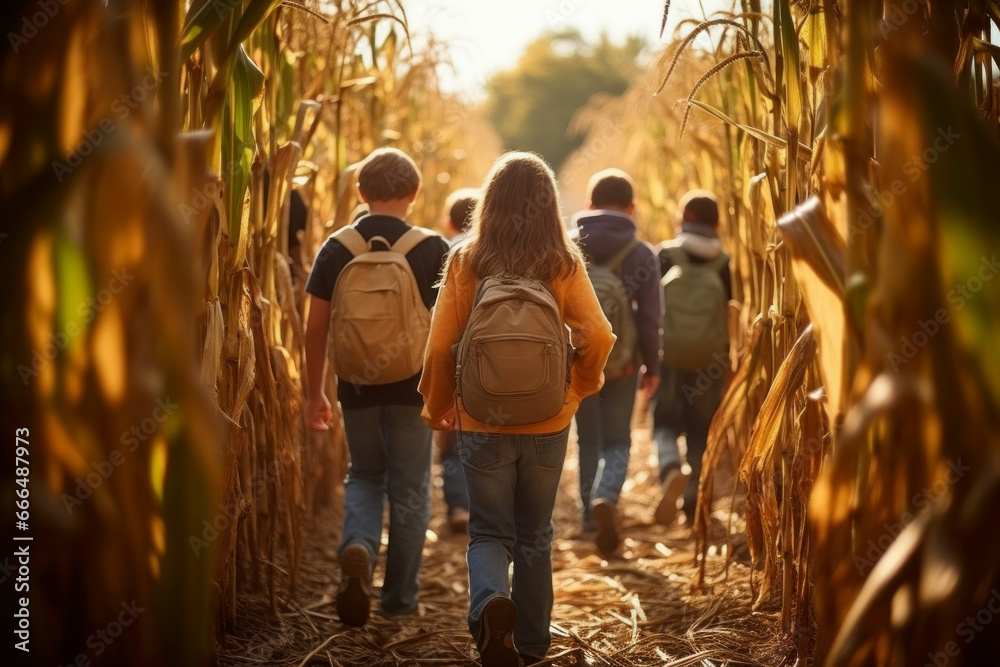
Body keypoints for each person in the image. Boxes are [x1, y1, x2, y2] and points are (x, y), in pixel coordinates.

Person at [420, 152, 614, 666]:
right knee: (535, 532)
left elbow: (441, 347)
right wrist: (577, 389)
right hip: (548, 419)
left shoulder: (467, 258)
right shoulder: (563, 260)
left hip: (482, 416)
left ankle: (489, 605)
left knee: (488, 530)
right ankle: (530, 641)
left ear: (490, 202)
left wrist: (439, 405)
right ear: (548, 203)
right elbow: (598, 335)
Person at [303, 147, 450, 626]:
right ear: (413, 194)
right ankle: (399, 599)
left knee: (365, 474)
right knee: (411, 488)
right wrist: (447, 395)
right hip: (415, 388)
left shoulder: (337, 246)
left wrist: (313, 392)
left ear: (361, 193)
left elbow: (314, 327)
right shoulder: (432, 249)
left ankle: (358, 547)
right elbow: (449, 332)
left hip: (356, 385)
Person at [572, 169, 662, 554]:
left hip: (581, 363)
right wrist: (651, 367)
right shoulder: (641, 252)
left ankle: (589, 519)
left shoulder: (570, 246)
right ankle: (606, 496)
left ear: (589, 205)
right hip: (623, 365)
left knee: (587, 439)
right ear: (631, 207)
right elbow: (650, 317)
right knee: (617, 439)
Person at [652, 190, 732, 526]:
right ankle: (693, 498)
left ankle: (671, 468)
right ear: (716, 223)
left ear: (684, 216)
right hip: (708, 361)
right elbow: (732, 311)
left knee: (665, 423)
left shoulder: (666, 255)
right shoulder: (724, 262)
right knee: (701, 430)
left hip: (669, 356)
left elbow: (652, 308)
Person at [436, 187, 479, 532]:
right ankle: (484, 508)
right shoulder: (503, 250)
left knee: (452, 446)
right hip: (493, 365)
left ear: (450, 222)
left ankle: (458, 506)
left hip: (455, 360)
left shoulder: (449, 253)